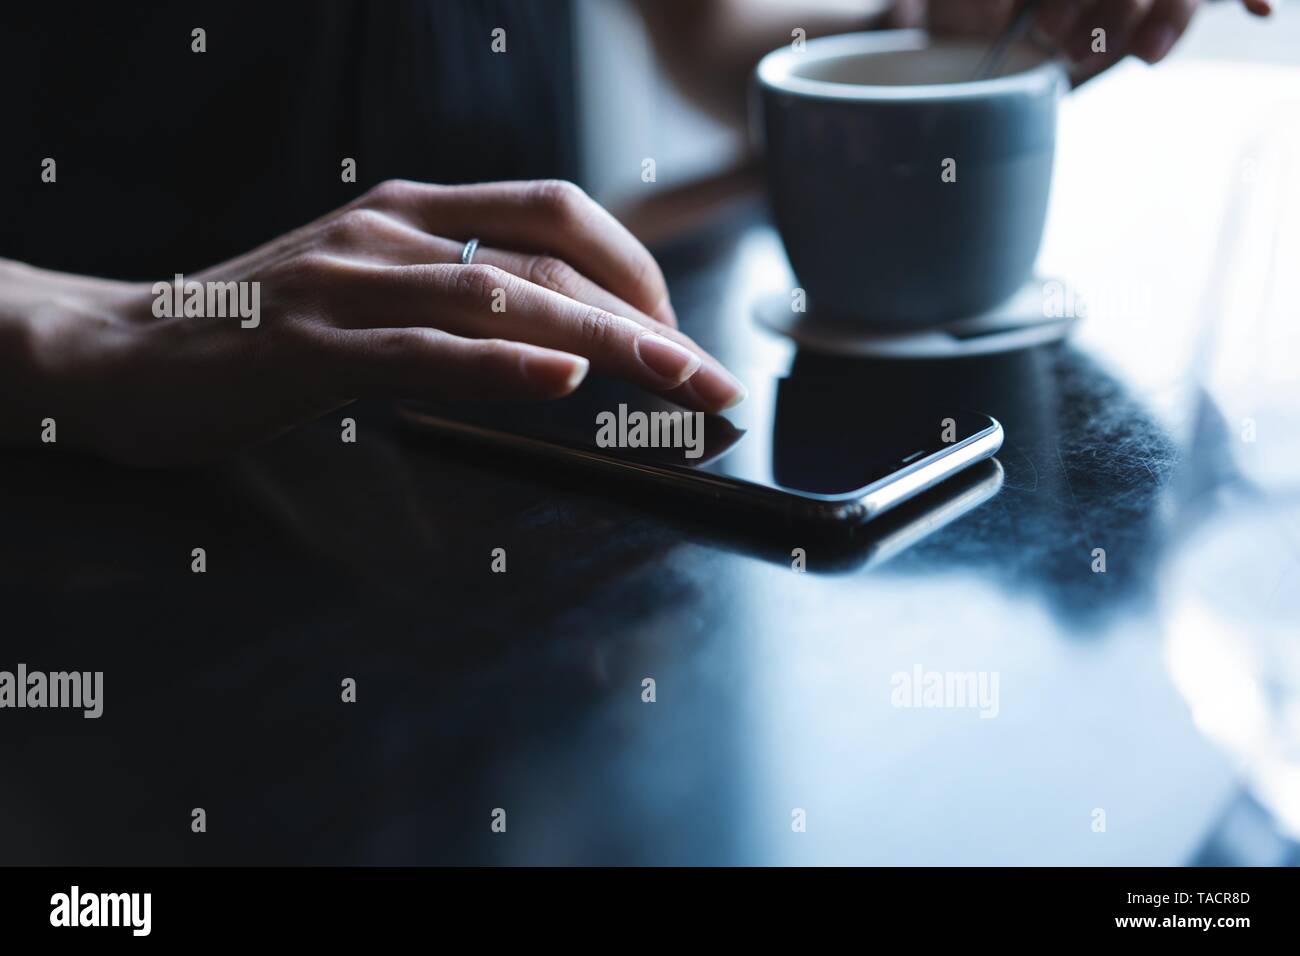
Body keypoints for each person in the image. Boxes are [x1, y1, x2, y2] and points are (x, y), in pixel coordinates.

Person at [0, 0, 1270, 465]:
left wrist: (928, 32)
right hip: (94, 511)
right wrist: (104, 328)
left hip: (503, 485)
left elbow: (717, 37)